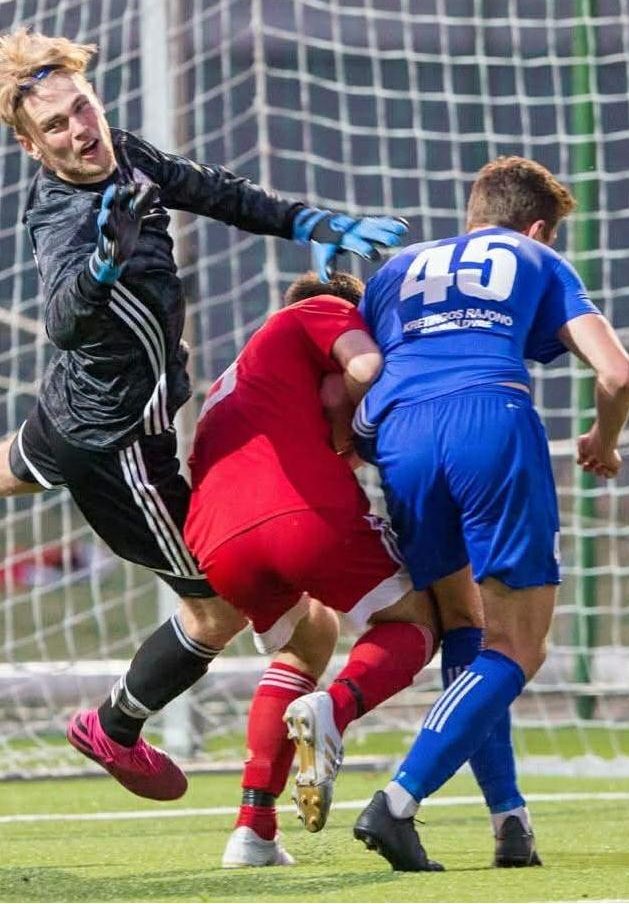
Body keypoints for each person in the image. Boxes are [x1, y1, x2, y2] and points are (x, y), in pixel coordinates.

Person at [0, 26, 409, 802]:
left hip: (70, 407)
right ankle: (113, 726)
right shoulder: (65, 219)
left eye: (83, 109)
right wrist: (106, 262)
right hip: (120, 448)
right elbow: (65, 318)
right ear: (31, 147)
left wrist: (313, 224)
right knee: (215, 610)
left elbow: (213, 190)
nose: (81, 131)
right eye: (57, 127)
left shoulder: (125, 154)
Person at [344, 155, 629, 871]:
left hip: (401, 437)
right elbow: (617, 371)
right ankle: (398, 800)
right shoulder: (533, 256)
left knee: (467, 628)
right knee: (520, 645)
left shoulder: (395, 268)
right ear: (537, 227)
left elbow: (356, 366)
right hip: (489, 421)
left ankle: (510, 820)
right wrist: (605, 437)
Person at [183, 271, 437, 867]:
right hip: (295, 510)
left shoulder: (237, 374)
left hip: (215, 540)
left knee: (306, 638)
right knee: (417, 620)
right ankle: (336, 708)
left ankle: (254, 831)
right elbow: (366, 369)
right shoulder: (320, 309)